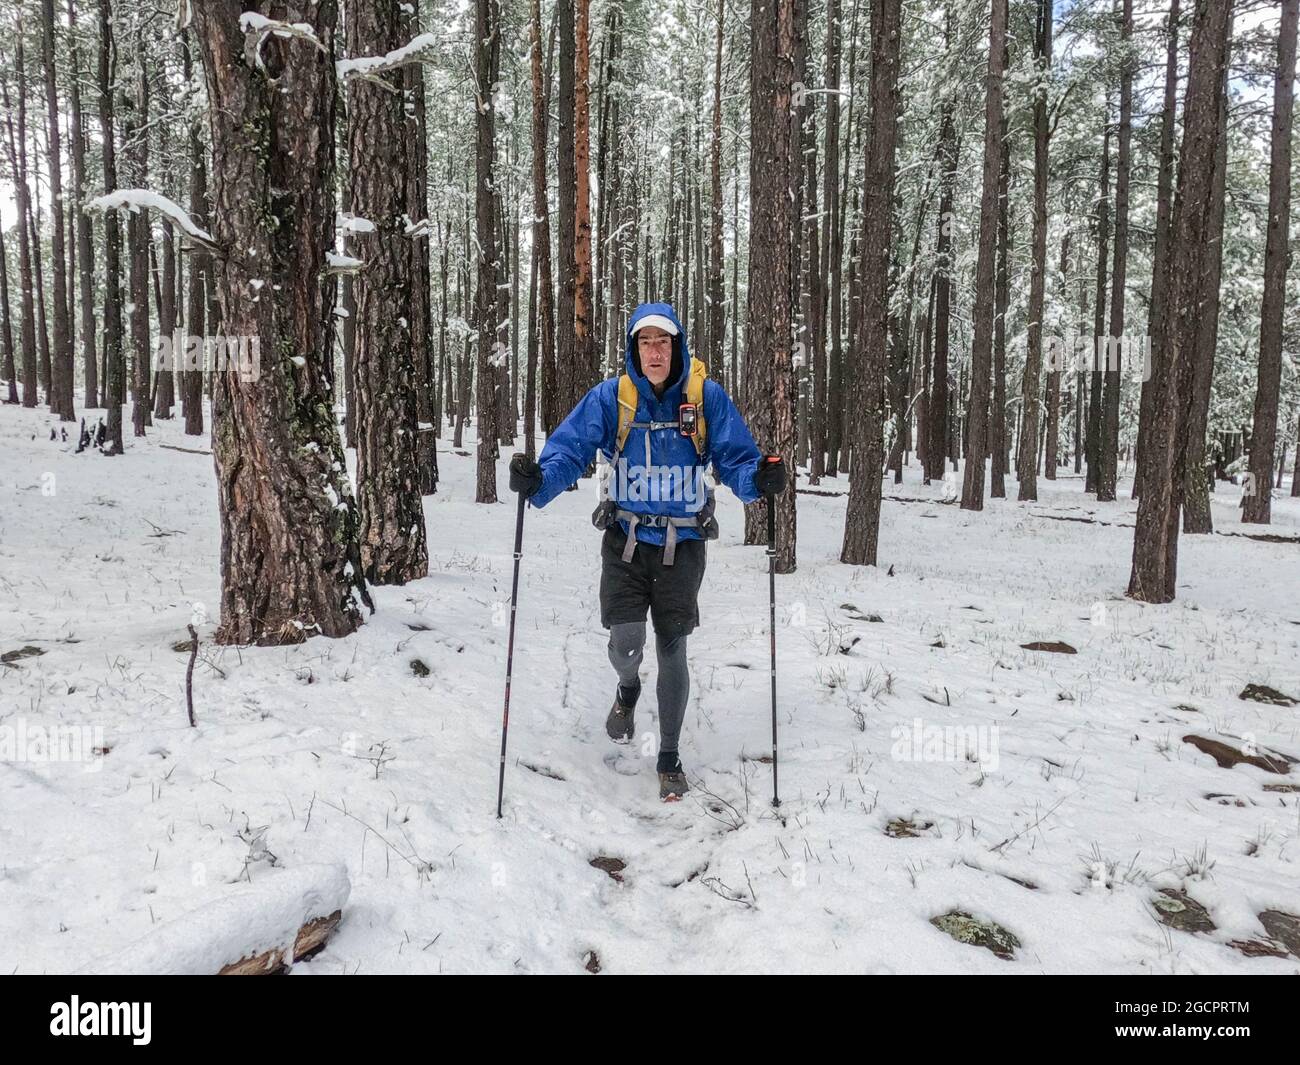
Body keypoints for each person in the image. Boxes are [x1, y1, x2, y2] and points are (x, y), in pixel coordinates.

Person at [508, 302, 787, 801]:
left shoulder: (706, 398)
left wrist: (758, 480)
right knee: (625, 642)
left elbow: (736, 458)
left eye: (663, 341)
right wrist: (540, 480)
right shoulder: (613, 398)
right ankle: (628, 688)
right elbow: (570, 448)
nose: (654, 351)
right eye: (644, 342)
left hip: (685, 541)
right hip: (626, 539)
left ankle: (669, 756)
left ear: (677, 346)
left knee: (673, 645)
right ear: (633, 349)